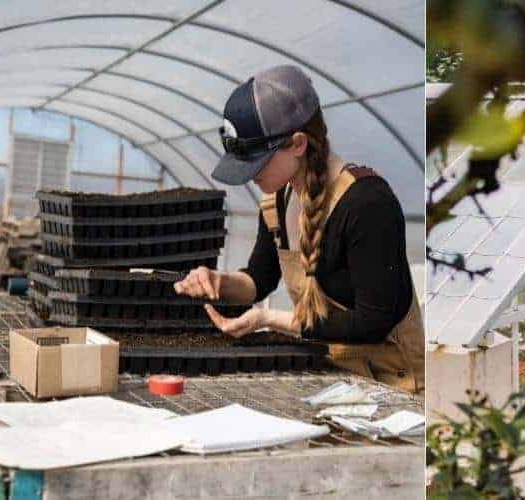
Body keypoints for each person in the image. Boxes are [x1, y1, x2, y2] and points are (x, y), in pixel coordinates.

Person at [173, 65, 424, 393]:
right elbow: (258, 280)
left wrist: (268, 319)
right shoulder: (277, 200)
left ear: (298, 143)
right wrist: (219, 282)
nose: (250, 177)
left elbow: (372, 323)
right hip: (336, 380)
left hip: (396, 389)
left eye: (257, 163)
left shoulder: (367, 203)